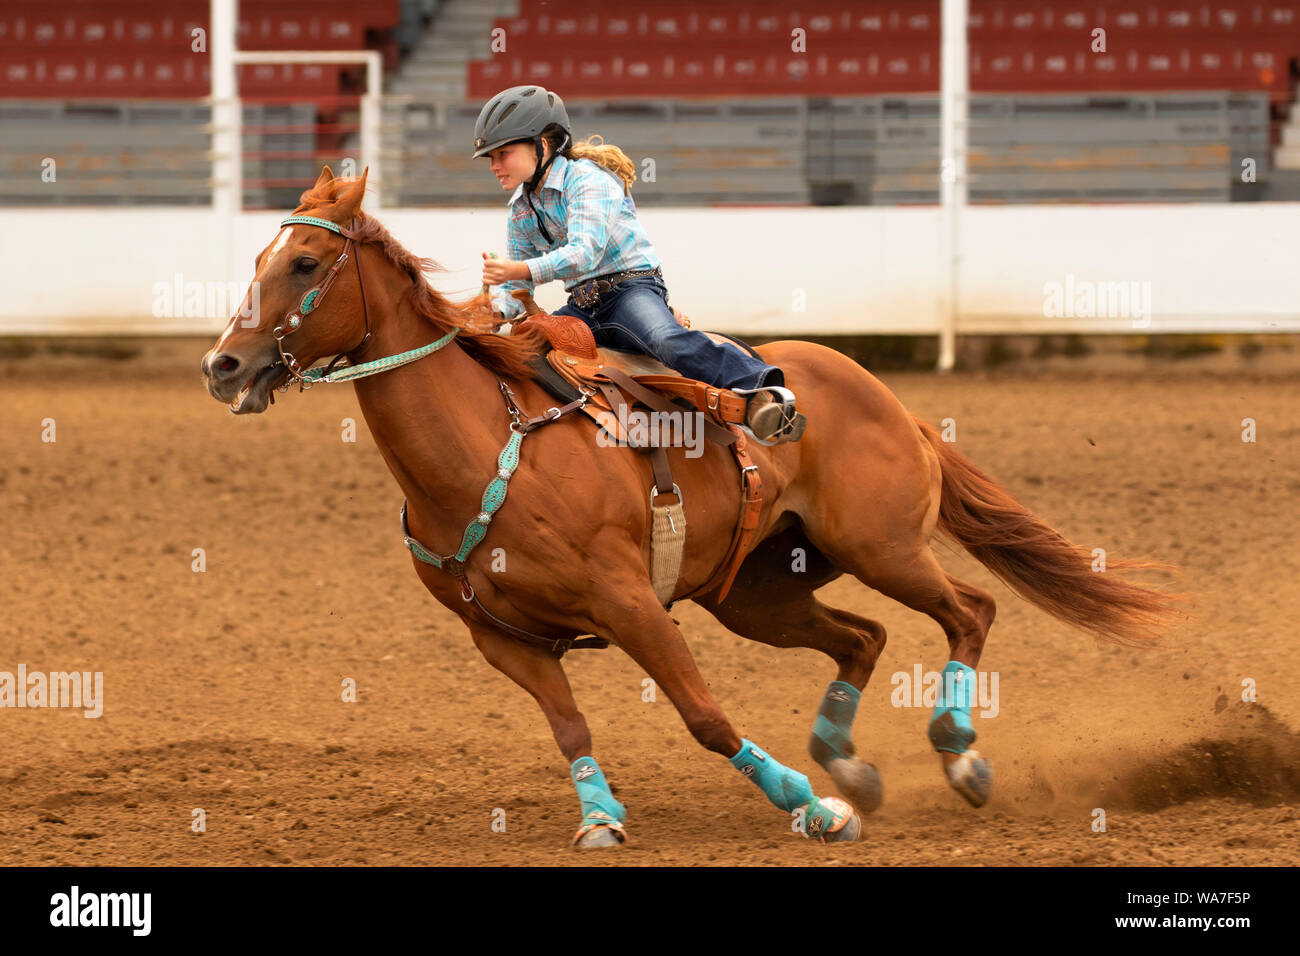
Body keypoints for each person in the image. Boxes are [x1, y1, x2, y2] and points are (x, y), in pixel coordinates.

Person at [474, 84, 804, 445]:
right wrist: (493, 313)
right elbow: (515, 291)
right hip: (583, 306)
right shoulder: (520, 210)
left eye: (503, 153)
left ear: (542, 145)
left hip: (631, 289)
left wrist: (519, 270)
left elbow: (585, 252)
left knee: (665, 340)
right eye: (490, 158)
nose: (494, 166)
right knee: (530, 347)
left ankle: (762, 390)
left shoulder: (587, 179)